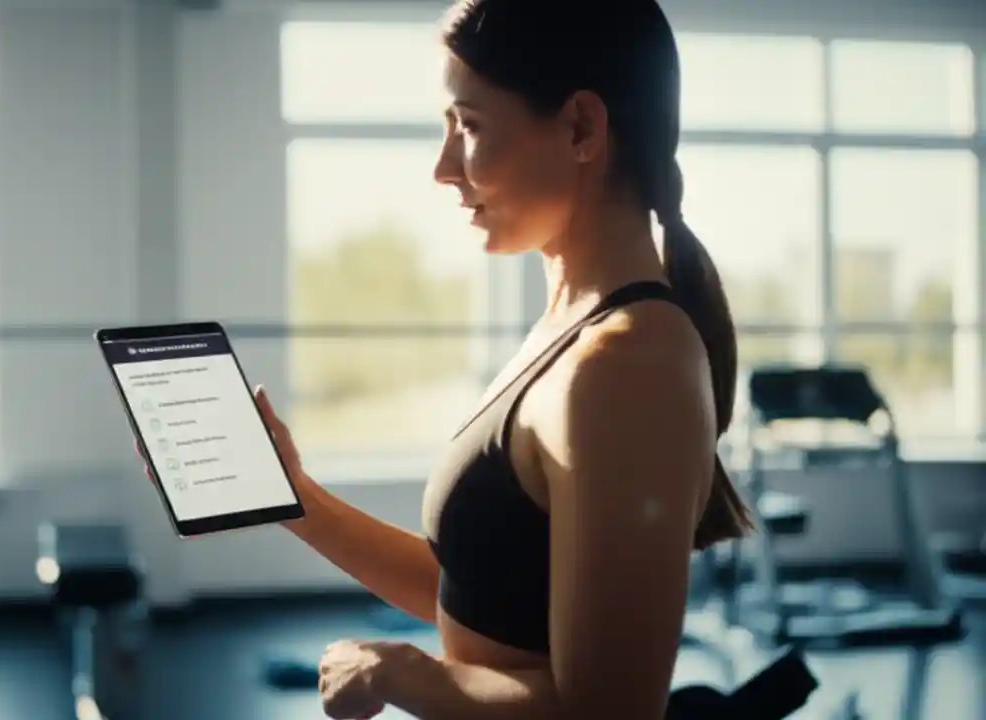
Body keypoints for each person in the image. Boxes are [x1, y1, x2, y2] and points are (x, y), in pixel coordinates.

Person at [150, 0, 754, 717]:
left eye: (468, 126)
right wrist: (295, 498)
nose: (443, 168)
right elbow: (478, 592)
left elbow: (611, 713)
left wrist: (400, 672)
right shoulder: (570, 336)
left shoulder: (627, 362)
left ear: (581, 129)